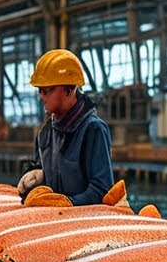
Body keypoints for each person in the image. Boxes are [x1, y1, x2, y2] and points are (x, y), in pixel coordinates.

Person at [16, 49, 113, 206]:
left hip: (83, 222)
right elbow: (43, 168)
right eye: (39, 90)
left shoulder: (93, 130)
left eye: (48, 90)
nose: (42, 96)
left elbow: (102, 190)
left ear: (69, 89)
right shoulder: (45, 132)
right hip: (56, 218)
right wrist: (36, 176)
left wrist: (67, 203)